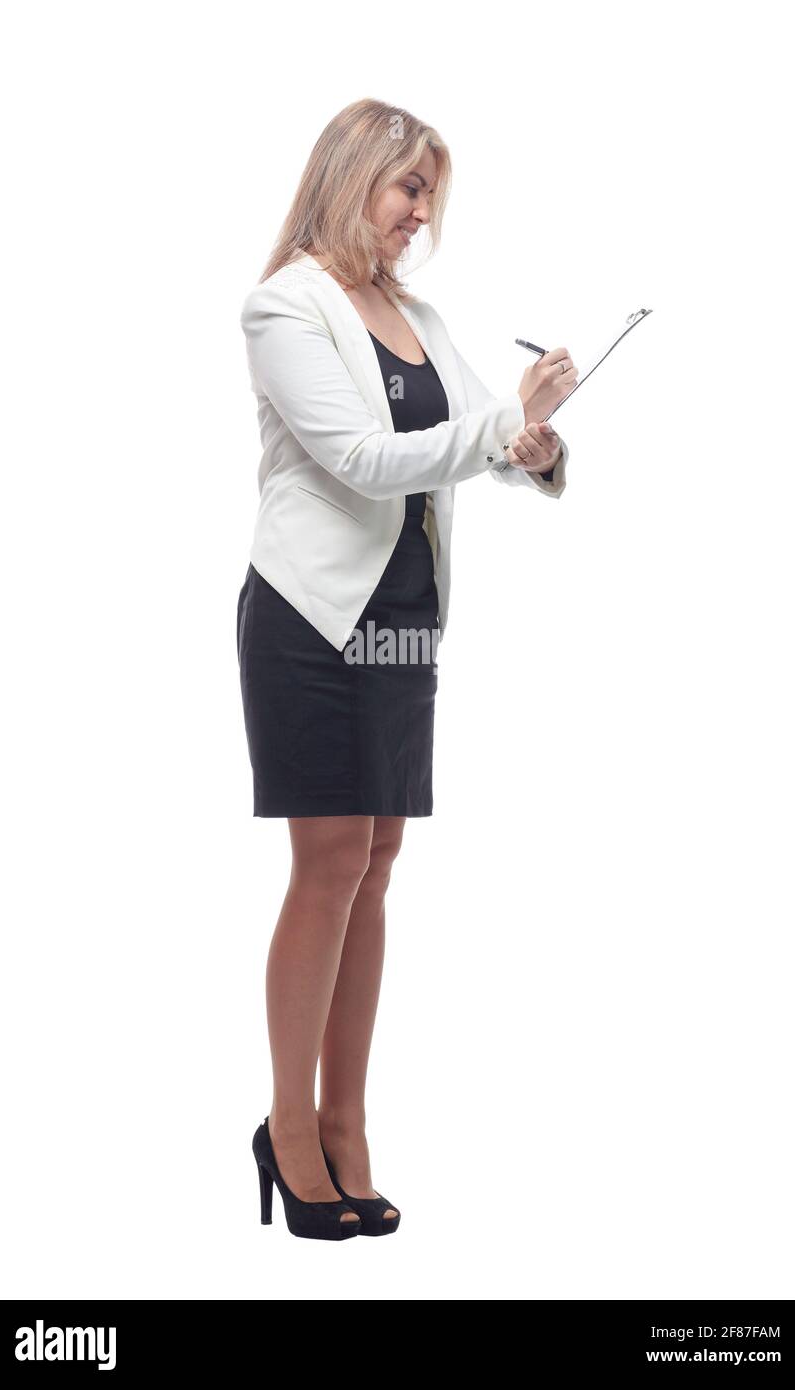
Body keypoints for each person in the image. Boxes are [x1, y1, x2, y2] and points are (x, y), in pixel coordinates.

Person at [237, 98, 577, 1240]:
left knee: (374, 861)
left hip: (403, 615)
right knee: (329, 858)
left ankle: (347, 1123)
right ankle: (290, 1134)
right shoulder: (286, 303)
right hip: (307, 617)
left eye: (429, 193)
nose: (420, 214)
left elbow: (479, 431)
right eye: (407, 189)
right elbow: (361, 457)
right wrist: (494, 430)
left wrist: (531, 442)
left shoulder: (414, 313)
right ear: (353, 179)